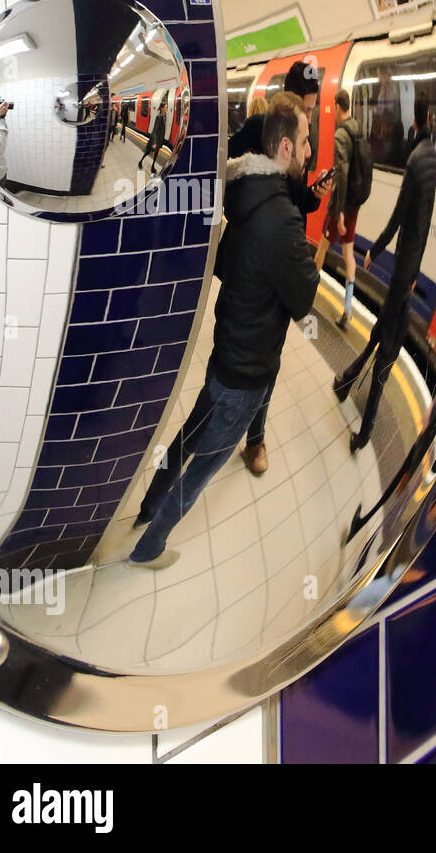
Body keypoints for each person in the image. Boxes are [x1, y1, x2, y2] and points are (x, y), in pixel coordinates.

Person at [128, 93, 320, 569]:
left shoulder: (247, 197)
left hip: (225, 350)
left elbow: (231, 266)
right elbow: (304, 299)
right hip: (249, 372)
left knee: (188, 435)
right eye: (306, 141)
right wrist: (310, 253)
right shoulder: (282, 220)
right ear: (285, 150)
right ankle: (148, 547)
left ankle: (148, 504)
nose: (312, 149)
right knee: (202, 469)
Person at [225, 60, 332, 476]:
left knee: (271, 353)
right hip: (255, 254)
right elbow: (232, 170)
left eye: (313, 104)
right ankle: (227, 423)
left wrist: (315, 195)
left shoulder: (304, 138)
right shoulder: (259, 129)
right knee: (245, 345)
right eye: (305, 104)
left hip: (285, 254)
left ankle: (254, 440)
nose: (310, 112)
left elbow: (298, 197)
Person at [331, 93, 436, 451]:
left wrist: (374, 251)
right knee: (382, 329)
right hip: (413, 265)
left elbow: (399, 216)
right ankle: (347, 380)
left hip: (401, 272)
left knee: (387, 346)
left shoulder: (414, 160)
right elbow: (423, 221)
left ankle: (365, 433)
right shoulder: (434, 158)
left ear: (416, 120)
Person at [317, 88, 369, 328]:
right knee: (349, 253)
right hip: (355, 205)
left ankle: (307, 293)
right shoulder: (358, 127)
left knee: (322, 248)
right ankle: (347, 308)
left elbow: (342, 174)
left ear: (338, 107)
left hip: (341, 205)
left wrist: (337, 211)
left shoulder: (341, 134)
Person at [139, 95, 168, 175]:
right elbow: (155, 130)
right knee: (148, 152)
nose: (167, 109)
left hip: (159, 140)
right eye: (165, 107)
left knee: (156, 154)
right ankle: (140, 162)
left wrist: (161, 141)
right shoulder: (158, 117)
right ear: (162, 108)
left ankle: (152, 167)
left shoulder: (163, 117)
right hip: (154, 140)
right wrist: (154, 142)